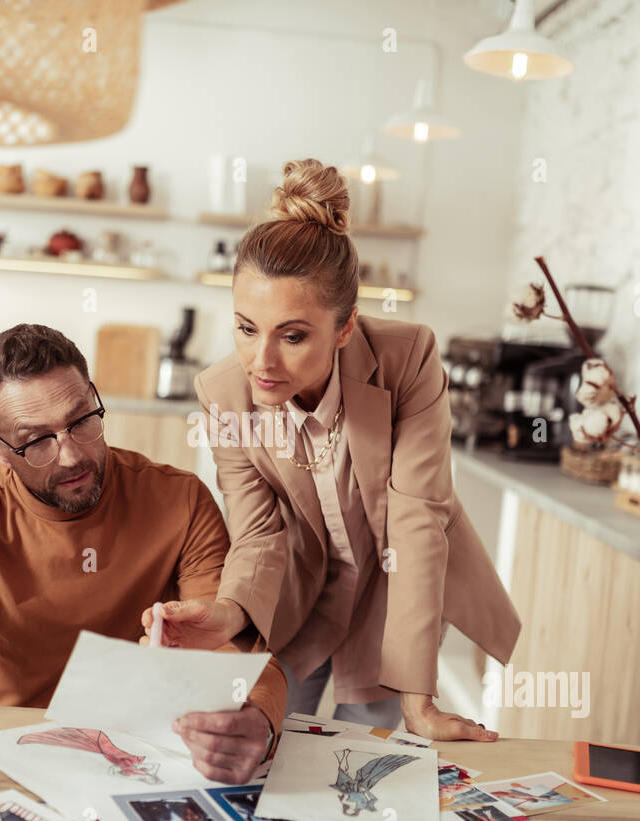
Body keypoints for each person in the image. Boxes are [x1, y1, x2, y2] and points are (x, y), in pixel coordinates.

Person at [140, 159, 520, 742]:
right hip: (300, 593)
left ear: (344, 329)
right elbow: (260, 532)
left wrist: (419, 699)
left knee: (365, 758)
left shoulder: (407, 360)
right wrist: (229, 611)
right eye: (246, 328)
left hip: (396, 594)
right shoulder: (223, 393)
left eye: (292, 336)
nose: (261, 361)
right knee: (268, 736)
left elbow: (419, 521)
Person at [0, 324, 285, 784]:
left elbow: (234, 646)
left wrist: (258, 720)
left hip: (132, 752)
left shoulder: (179, 498)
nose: (71, 456)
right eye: (35, 441)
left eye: (81, 421)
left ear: (95, 398)